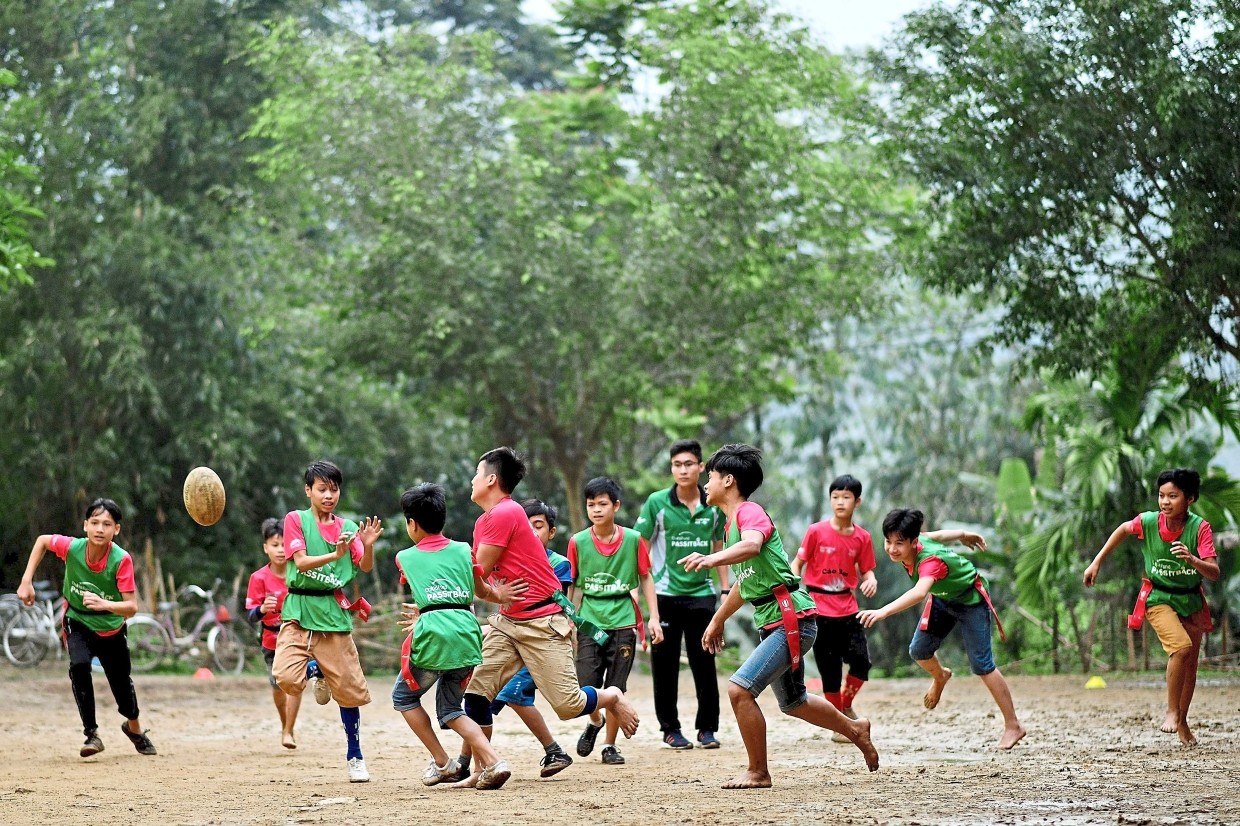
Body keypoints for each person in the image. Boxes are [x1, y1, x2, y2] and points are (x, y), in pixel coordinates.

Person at [680, 444, 878, 789]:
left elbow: (753, 545)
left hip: (792, 621)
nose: (704, 484)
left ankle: (758, 771)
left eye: (709, 477)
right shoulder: (731, 526)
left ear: (728, 480)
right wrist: (718, 619)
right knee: (794, 702)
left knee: (739, 690)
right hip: (779, 620)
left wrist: (712, 560)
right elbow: (745, 582)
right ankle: (854, 728)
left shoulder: (749, 512)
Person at [457, 447, 641, 787]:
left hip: (542, 622)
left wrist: (454, 597)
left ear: (491, 479)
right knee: (476, 695)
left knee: (568, 706)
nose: (472, 480)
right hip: (508, 622)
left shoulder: (504, 513)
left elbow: (473, 576)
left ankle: (612, 696)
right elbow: (480, 583)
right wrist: (492, 595)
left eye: (477, 473)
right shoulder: (485, 521)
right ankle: (485, 767)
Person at [858, 508, 1026, 750]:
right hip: (944, 599)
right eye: (888, 542)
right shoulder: (920, 539)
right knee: (919, 651)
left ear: (913, 542)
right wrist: (963, 534)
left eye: (899, 543)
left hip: (971, 600)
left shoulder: (929, 562)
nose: (892, 549)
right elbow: (938, 535)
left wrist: (882, 611)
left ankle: (1013, 725)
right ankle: (940, 675)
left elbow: (918, 593)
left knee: (982, 665)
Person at [392, 482, 523, 791]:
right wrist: (498, 593)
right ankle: (493, 761)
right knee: (452, 709)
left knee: (403, 697)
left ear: (411, 524)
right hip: (467, 631)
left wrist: (428, 610)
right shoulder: (465, 550)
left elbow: (424, 590)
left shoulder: (404, 557)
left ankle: (443, 763)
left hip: (434, 635)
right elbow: (479, 589)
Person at [1083, 467, 1220, 747]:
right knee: (1180, 647)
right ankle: (1171, 712)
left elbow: (1214, 572)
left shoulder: (1200, 528)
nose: (1165, 502)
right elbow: (1122, 529)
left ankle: (1182, 721)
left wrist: (1192, 560)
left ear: (1190, 498)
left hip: (1191, 599)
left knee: (1190, 666)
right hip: (1158, 597)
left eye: (1173, 496)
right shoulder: (1148, 522)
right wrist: (1096, 562)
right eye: (1161, 496)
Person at [16, 498, 157, 758]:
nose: (99, 529)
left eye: (106, 524)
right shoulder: (72, 548)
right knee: (79, 667)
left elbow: (132, 607)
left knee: (121, 684)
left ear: (116, 529)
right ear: (85, 525)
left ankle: (134, 729)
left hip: (111, 627)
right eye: (94, 523)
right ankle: (91, 733)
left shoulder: (120, 560)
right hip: (77, 620)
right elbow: (43, 541)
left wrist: (104, 603)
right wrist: (27, 581)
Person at [272, 460, 383, 782]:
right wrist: (335, 556)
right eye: (322, 489)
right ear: (308, 491)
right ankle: (315, 669)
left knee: (348, 692)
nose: (329, 495)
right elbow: (302, 562)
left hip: (333, 615)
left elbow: (363, 567)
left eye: (334, 489)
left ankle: (355, 756)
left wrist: (369, 547)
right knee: (286, 678)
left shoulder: (348, 528)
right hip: (298, 610)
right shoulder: (295, 520)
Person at [635, 439, 728, 750]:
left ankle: (707, 729)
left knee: (705, 661)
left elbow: (720, 549)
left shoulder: (714, 504)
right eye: (677, 464)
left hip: (702, 595)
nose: (683, 470)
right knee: (665, 666)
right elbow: (642, 549)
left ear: (701, 467)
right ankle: (670, 729)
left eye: (689, 464)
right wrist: (636, 591)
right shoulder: (656, 503)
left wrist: (725, 590)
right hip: (664, 596)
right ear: (671, 468)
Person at [569, 477, 663, 765]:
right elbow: (571, 584)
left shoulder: (634, 540)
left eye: (602, 504)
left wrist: (653, 618)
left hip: (623, 619)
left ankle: (609, 745)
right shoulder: (578, 542)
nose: (596, 510)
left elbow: (645, 577)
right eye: (591, 505)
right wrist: (569, 620)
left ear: (616, 505)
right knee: (586, 684)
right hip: (589, 621)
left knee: (615, 687)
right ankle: (595, 721)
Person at [486, 499, 575, 777]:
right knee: (483, 697)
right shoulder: (507, 559)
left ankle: (556, 747)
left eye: (538, 526)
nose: (531, 533)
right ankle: (475, 762)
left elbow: (553, 602)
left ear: (552, 531)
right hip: (512, 638)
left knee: (515, 695)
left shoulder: (558, 564)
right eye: (526, 527)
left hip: (542, 639)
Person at [790, 474, 877, 741]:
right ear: (830, 500)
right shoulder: (816, 531)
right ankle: (839, 723)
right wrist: (792, 589)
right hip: (818, 610)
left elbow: (867, 571)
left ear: (857, 501)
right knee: (829, 670)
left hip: (848, 608)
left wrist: (870, 581)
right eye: (835, 497)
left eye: (846, 497)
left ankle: (845, 705)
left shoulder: (862, 538)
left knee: (862, 662)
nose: (840, 502)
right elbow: (797, 563)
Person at [245, 517, 301, 749]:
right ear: (265, 547)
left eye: (283, 544)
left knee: (297, 683)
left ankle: (288, 731)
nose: (280, 550)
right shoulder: (258, 578)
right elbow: (249, 615)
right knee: (278, 686)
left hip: (298, 637)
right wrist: (261, 609)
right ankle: (284, 724)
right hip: (271, 639)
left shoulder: (300, 572)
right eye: (274, 545)